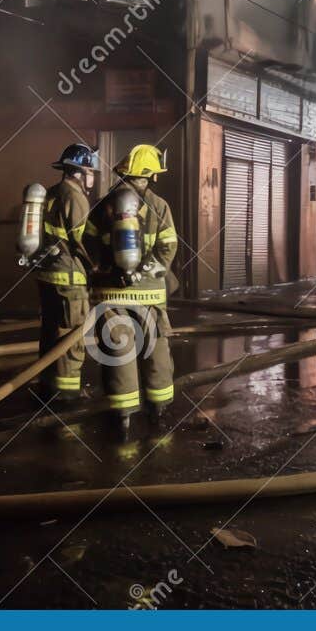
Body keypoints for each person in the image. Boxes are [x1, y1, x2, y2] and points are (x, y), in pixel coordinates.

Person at [83, 144, 178, 440]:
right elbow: (168, 246)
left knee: (118, 350)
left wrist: (107, 271)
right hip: (149, 295)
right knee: (155, 349)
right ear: (147, 176)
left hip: (111, 294)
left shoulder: (103, 206)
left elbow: (89, 246)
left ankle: (123, 419)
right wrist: (146, 271)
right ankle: (158, 412)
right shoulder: (159, 206)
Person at [32, 144, 97, 403]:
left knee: (50, 331)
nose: (92, 177)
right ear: (80, 173)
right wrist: (97, 268)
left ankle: (47, 385)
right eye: (90, 171)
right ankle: (67, 393)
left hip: (47, 277)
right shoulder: (75, 196)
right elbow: (82, 241)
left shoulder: (51, 193)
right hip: (69, 279)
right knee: (71, 336)